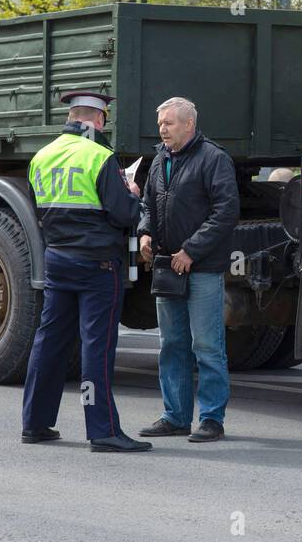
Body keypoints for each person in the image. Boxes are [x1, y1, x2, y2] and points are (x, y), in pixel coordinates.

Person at [21, 90, 151, 453]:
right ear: (98, 120)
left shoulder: (41, 156)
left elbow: (39, 209)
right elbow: (123, 214)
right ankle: (103, 431)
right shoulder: (100, 155)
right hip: (97, 264)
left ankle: (35, 423)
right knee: (97, 345)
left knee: (49, 342)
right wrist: (133, 193)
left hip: (58, 258)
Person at [137, 97, 240, 443]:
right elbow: (148, 204)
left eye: (169, 122)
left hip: (202, 269)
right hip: (168, 267)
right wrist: (145, 232)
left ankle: (212, 419)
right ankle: (175, 417)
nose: (162, 129)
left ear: (189, 125)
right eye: (161, 123)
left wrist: (191, 251)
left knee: (207, 345)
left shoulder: (214, 159)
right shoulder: (159, 159)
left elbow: (225, 212)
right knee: (172, 344)